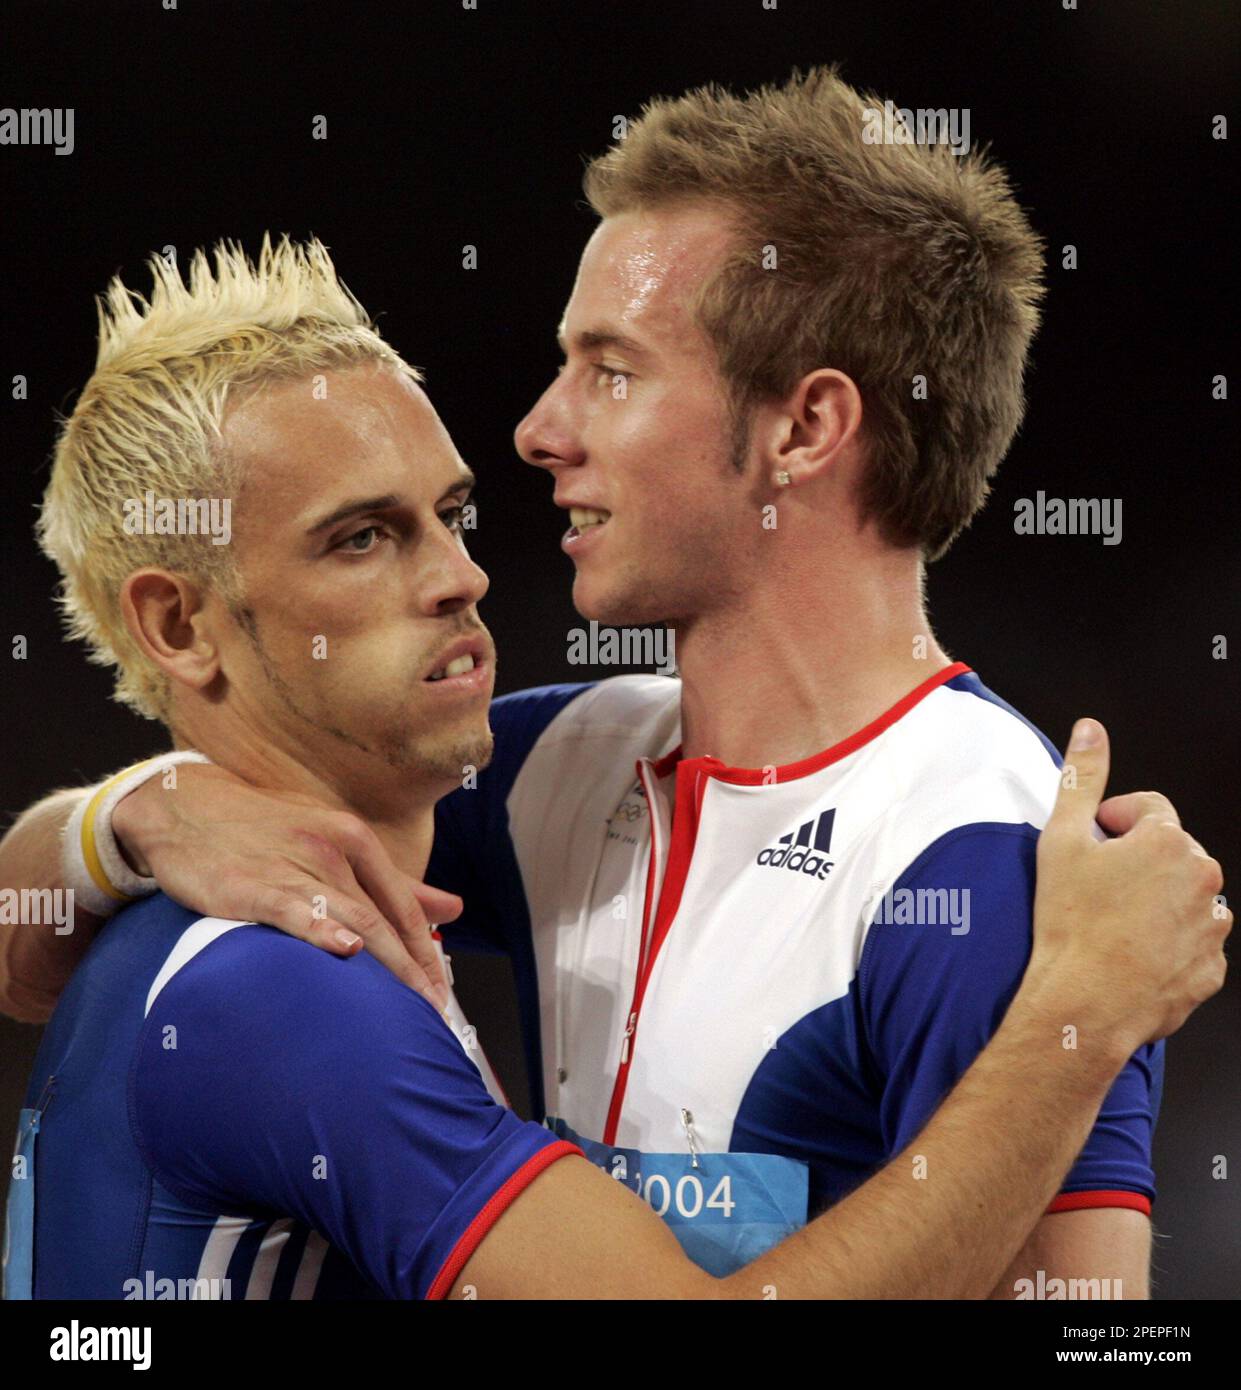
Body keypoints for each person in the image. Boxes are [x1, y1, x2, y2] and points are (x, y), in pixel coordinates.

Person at [1, 75, 1230, 1298]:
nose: (538, 430)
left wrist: (1077, 1017)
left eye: (612, 369)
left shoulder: (986, 857)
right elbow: (41, 927)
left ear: (802, 430)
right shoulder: (562, 769)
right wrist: (133, 812)